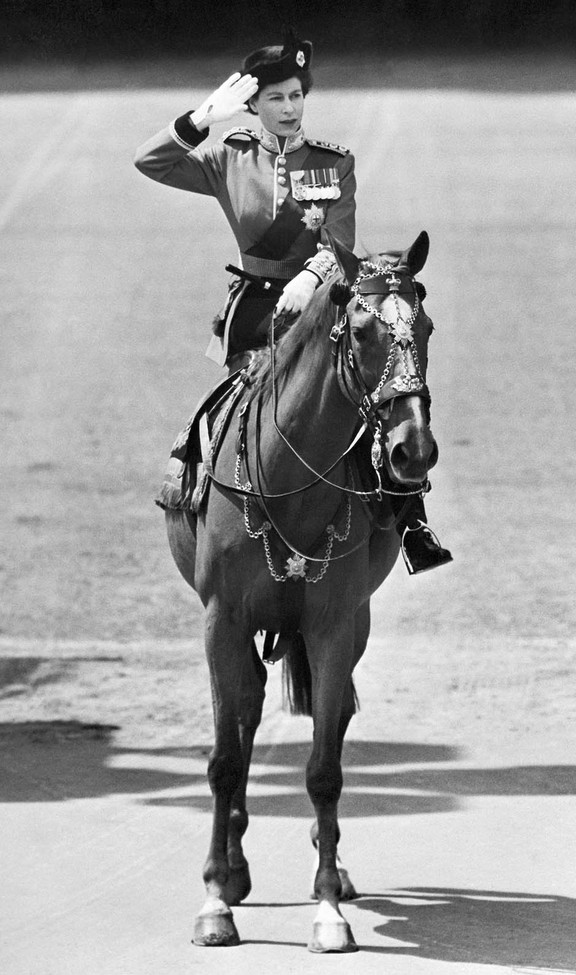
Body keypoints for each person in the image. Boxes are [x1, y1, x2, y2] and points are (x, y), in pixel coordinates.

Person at [134, 31, 451, 574]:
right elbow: (150, 161)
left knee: (377, 406)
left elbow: (342, 245)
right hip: (258, 319)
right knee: (226, 418)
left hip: (322, 309)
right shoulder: (228, 157)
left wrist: (310, 278)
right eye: (275, 97)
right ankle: (198, 495)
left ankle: (411, 520)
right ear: (253, 104)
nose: (288, 108)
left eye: (296, 96)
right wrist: (201, 119)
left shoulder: (334, 163)